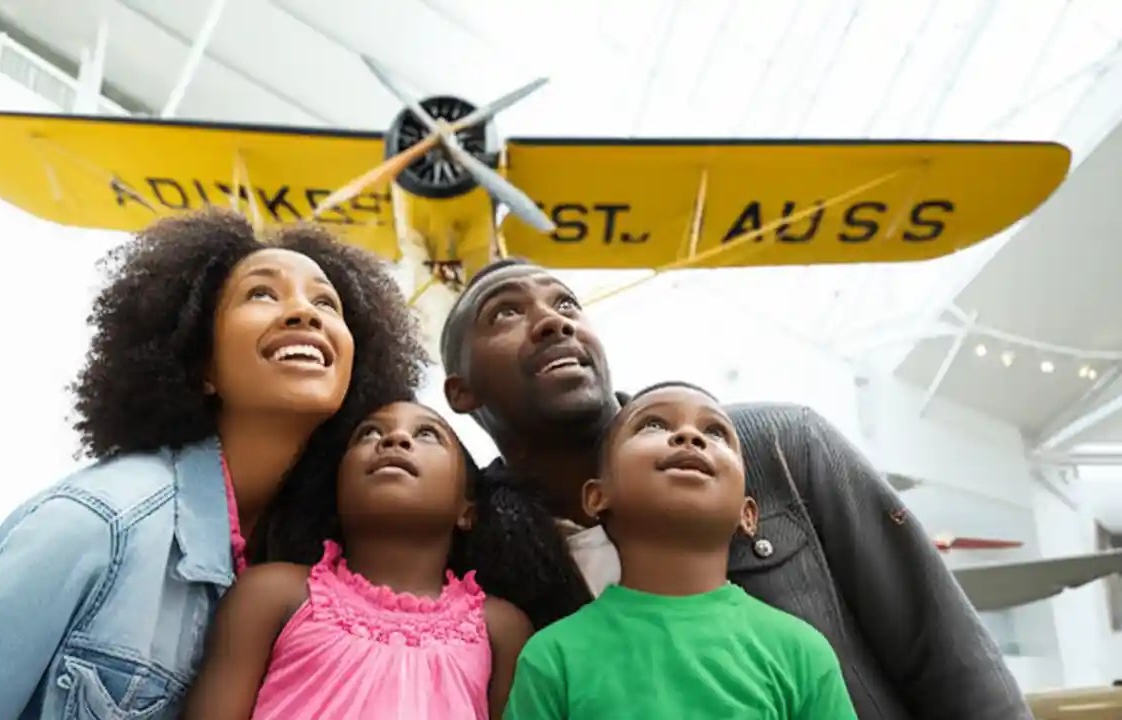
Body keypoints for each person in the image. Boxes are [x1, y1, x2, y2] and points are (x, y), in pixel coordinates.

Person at [0, 209, 427, 720]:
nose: (304, 312)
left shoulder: (307, 569)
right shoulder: (94, 526)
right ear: (200, 362)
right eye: (261, 294)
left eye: (326, 303)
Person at [440, 258, 1032, 720]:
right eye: (505, 314)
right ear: (460, 392)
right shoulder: (471, 545)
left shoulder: (780, 445)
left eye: (567, 302)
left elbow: (946, 655)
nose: (553, 320)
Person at [504, 382, 858, 719]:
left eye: (716, 433)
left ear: (747, 514)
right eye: (653, 425)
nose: (690, 436)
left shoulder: (801, 652)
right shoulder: (552, 658)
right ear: (597, 498)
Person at [182, 401, 532, 720]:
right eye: (369, 433)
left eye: (427, 434)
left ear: (467, 509)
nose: (394, 439)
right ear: (336, 490)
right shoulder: (271, 593)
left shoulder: (500, 629)